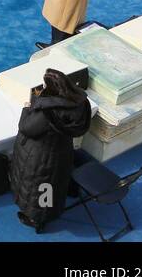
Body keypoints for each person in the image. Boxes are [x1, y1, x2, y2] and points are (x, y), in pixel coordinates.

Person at [10, 68, 92, 231]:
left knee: (39, 186)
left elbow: (27, 128)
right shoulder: (81, 102)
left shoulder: (48, 111)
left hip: (41, 156)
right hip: (61, 151)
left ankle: (38, 220)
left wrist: (27, 108)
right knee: (52, 183)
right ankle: (47, 211)